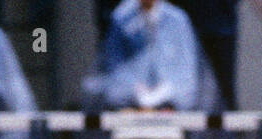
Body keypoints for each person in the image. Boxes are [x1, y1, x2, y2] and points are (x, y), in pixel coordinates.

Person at [83, 0, 219, 111]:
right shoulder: (121, 18)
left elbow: (188, 72)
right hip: (131, 109)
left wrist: (165, 92)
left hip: (172, 110)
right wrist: (136, 92)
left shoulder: (177, 19)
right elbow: (113, 68)